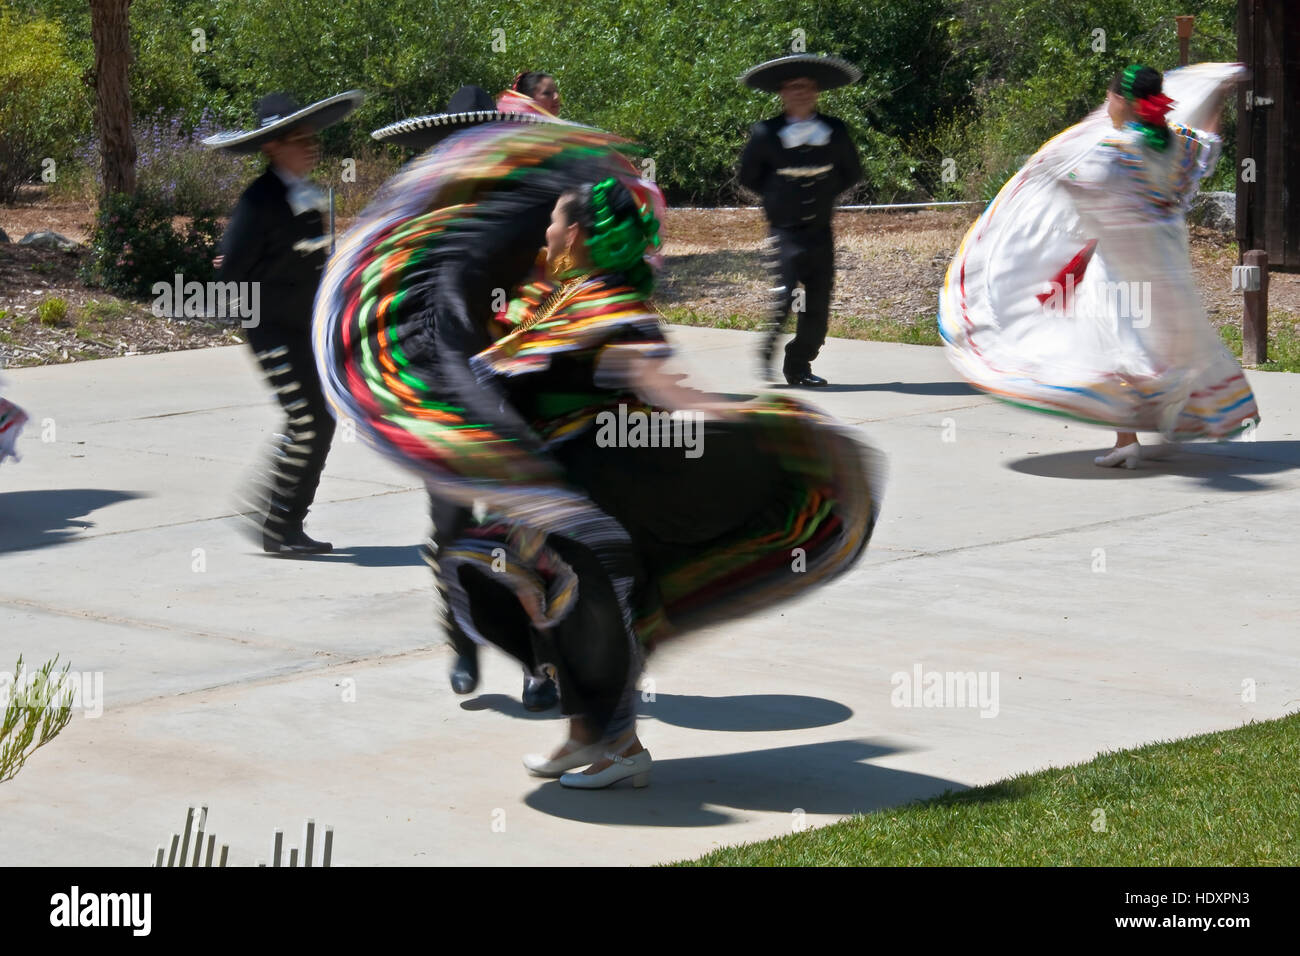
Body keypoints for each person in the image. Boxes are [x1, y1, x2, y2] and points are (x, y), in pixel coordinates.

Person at [314, 121, 882, 788]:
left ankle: (617, 747)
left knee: (571, 586)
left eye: (555, 222)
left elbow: (655, 384)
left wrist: (734, 417)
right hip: (561, 496)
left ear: (577, 235)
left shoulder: (606, 308)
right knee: (499, 577)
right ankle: (588, 734)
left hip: (604, 492)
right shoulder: (545, 305)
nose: (546, 233)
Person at [939, 63, 1257, 467]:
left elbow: (1086, 193)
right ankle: (1153, 423)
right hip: (1167, 257)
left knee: (1118, 341)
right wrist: (1220, 95)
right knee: (1161, 337)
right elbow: (1212, 142)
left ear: (1123, 101)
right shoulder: (1180, 141)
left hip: (1124, 260)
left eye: (1110, 97)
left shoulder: (1115, 149)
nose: (1107, 105)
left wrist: (1051, 179)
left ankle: (1133, 433)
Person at [371, 85, 564, 711]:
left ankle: (541, 665)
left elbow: (552, 289)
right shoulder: (408, 232)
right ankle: (463, 640)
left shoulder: (525, 214)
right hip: (440, 400)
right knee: (452, 528)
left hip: (513, 391)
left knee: (522, 533)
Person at [204, 90, 363, 553]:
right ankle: (279, 526)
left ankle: (281, 521)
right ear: (273, 146)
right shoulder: (260, 199)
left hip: (305, 329)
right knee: (309, 420)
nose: (310, 145)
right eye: (299, 138)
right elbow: (232, 268)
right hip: (271, 330)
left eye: (312, 136)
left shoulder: (308, 194)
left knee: (319, 421)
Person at [739, 54, 864, 388]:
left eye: (807, 87)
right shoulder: (766, 133)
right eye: (794, 87)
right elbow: (748, 176)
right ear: (782, 92)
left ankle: (798, 366)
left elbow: (851, 173)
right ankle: (767, 351)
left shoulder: (835, 130)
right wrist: (779, 196)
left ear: (817, 92)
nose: (801, 93)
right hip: (786, 232)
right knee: (786, 294)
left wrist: (824, 193)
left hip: (820, 231)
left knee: (818, 303)